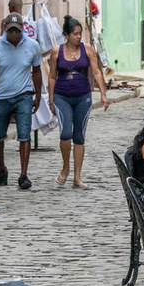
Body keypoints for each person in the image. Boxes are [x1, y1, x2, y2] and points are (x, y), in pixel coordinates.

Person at [0, 13, 42, 190]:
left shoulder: (32, 46)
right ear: (5, 29)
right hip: (2, 96)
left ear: (22, 30)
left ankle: (23, 174)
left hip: (24, 95)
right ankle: (2, 167)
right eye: (10, 31)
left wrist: (38, 96)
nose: (14, 35)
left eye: (17, 31)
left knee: (24, 134)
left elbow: (36, 72)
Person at [47, 14, 109, 189]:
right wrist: (51, 99)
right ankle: (66, 167)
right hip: (62, 96)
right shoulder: (56, 52)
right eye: (75, 34)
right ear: (66, 35)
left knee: (79, 136)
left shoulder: (88, 49)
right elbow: (52, 76)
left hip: (83, 96)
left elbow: (96, 72)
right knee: (66, 133)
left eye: (80, 33)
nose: (79, 37)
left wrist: (103, 94)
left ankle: (77, 176)